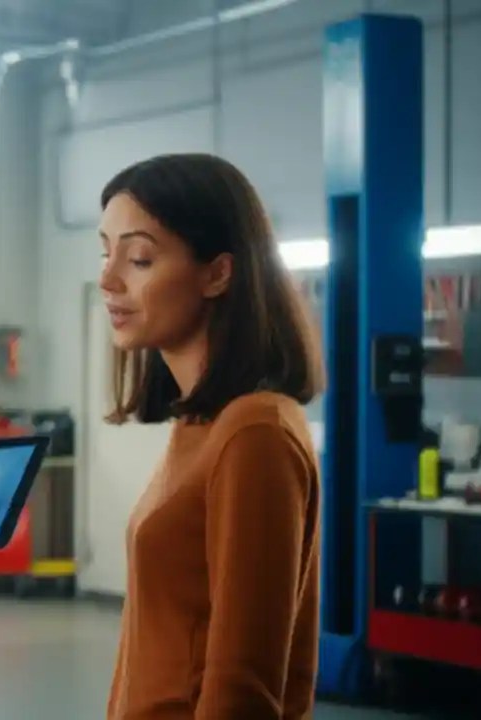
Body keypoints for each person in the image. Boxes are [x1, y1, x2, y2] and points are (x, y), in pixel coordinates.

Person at [97, 153, 324, 719]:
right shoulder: (201, 426)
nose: (108, 278)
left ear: (218, 272)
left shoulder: (256, 434)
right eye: (106, 252)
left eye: (141, 257)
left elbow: (243, 690)